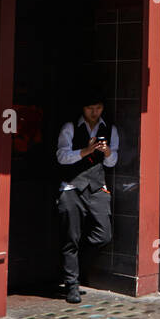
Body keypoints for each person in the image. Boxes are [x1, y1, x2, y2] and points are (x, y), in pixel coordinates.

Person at [55, 92, 119, 304]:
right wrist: (85, 151)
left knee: (104, 234)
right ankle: (72, 286)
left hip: (97, 187)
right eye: (90, 108)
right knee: (69, 237)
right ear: (83, 108)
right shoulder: (70, 127)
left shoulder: (110, 129)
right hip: (72, 186)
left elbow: (112, 162)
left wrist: (107, 152)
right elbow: (62, 156)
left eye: (98, 108)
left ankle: (74, 254)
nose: (94, 112)